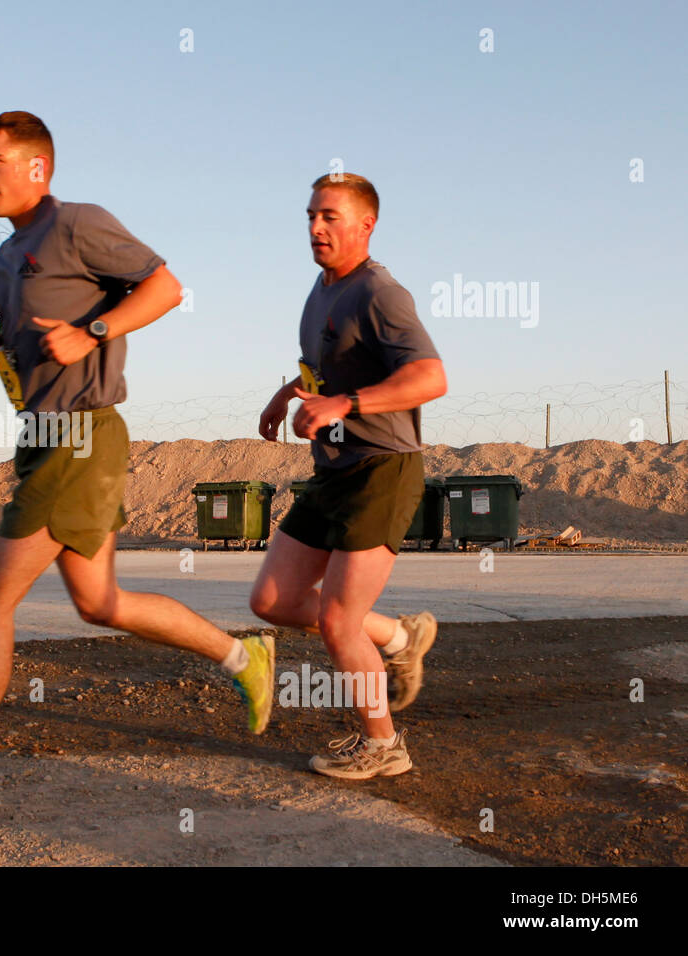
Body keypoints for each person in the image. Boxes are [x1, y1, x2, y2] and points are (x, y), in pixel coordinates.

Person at [0, 110, 275, 810]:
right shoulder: (4, 257)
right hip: (43, 438)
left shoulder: (79, 223)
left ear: (37, 169)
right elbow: (24, 366)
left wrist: (94, 332)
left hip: (81, 437)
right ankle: (245, 657)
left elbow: (167, 287)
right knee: (100, 603)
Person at [249, 172, 447, 780]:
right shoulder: (321, 289)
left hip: (382, 469)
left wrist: (347, 405)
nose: (316, 227)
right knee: (272, 601)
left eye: (331, 216)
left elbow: (430, 377)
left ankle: (385, 745)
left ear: (366, 224)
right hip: (333, 471)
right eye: (312, 215)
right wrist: (289, 395)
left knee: (337, 619)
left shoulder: (381, 294)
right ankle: (397, 635)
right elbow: (322, 369)